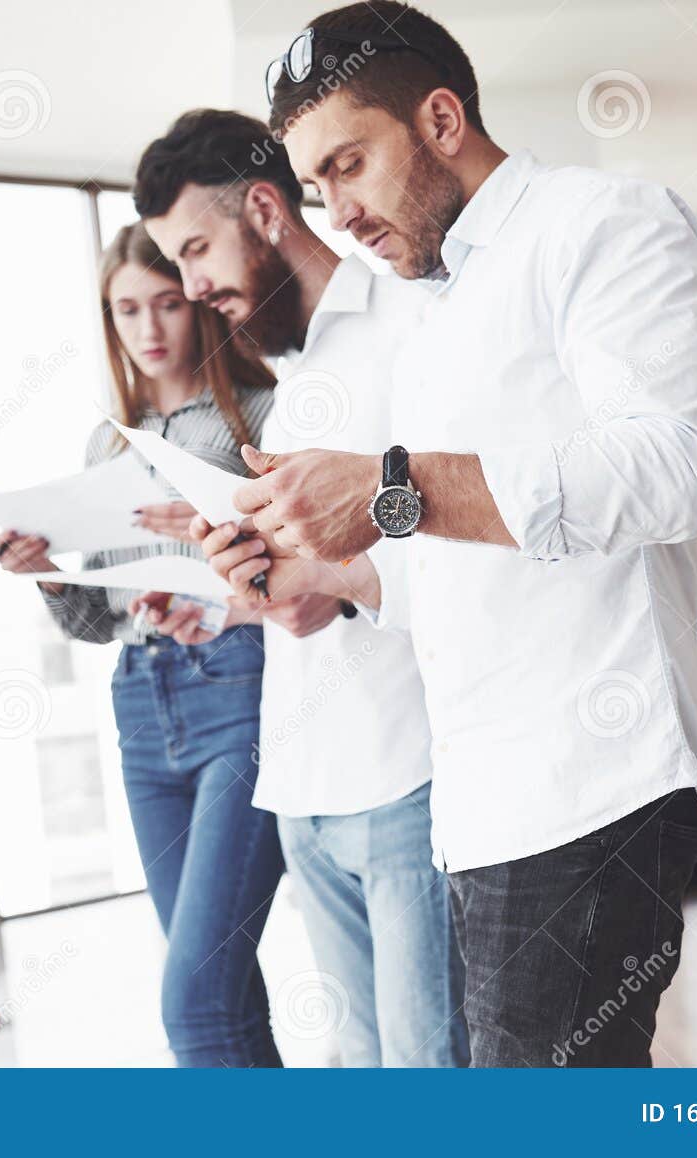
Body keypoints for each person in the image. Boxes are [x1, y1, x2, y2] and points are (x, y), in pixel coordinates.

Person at [198, 2, 697, 1066]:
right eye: (315, 184)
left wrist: (391, 489)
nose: (335, 212)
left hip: (592, 779)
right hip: (484, 803)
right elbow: (445, 570)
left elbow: (675, 469)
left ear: (440, 118)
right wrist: (313, 575)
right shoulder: (432, 312)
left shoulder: (601, 222)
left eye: (348, 163)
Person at [129, 108, 468, 1067]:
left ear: (267, 210)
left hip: (410, 777)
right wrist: (239, 583)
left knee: (427, 1080)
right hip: (304, 778)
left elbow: (476, 538)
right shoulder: (283, 371)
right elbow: (306, 570)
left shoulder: (414, 326)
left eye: (197, 250)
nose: (191, 287)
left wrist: (339, 580)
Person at [0, 224, 293, 1067]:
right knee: (227, 1001)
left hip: (241, 689)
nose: (149, 328)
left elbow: (310, 572)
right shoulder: (108, 442)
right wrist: (51, 573)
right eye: (126, 310)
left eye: (166, 303)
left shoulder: (265, 414)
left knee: (192, 1002)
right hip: (140, 700)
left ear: (199, 304)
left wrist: (220, 567)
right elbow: (97, 622)